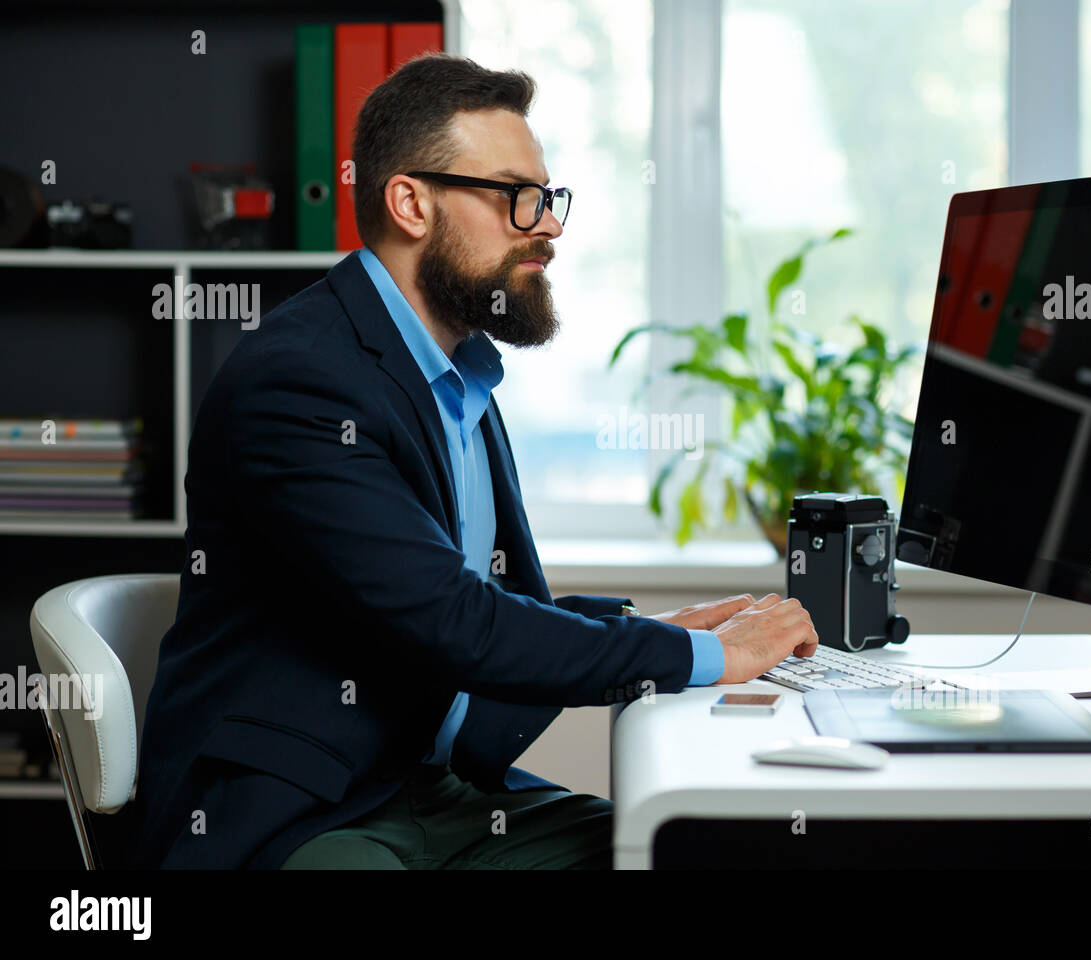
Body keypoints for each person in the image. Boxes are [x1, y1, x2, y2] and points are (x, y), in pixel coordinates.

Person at [132, 53, 817, 870]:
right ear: (412, 202)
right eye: (517, 197)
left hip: (432, 791)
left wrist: (642, 630)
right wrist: (704, 658)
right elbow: (452, 623)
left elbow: (469, 604)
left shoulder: (457, 375)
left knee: (694, 848)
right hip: (306, 817)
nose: (550, 225)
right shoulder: (301, 379)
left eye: (549, 197)